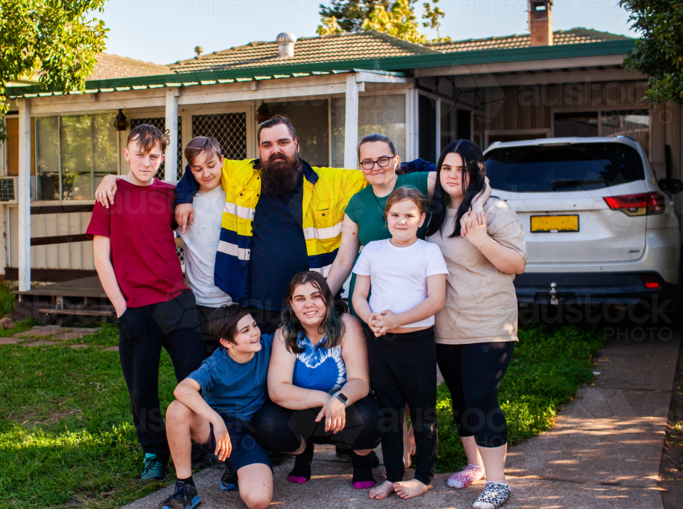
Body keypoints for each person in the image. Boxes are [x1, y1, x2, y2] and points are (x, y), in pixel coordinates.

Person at [174, 115, 434, 334]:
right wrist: (183, 197)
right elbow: (198, 163)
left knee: (306, 374)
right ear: (259, 149)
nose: (275, 150)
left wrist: (407, 168)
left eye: (283, 142)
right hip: (253, 302)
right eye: (267, 145)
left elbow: (380, 169)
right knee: (263, 376)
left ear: (296, 144)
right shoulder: (242, 173)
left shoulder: (332, 181)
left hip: (310, 303)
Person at [325, 133, 488, 467]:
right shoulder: (356, 203)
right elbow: (344, 260)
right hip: (371, 307)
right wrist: (320, 300)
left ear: (396, 159)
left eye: (383, 159)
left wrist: (479, 205)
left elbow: (474, 180)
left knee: (417, 385)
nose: (376, 167)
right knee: (385, 388)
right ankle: (395, 458)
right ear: (360, 166)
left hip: (414, 307)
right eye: (367, 161)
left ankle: (420, 442)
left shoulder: (419, 182)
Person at [88, 124, 206, 482]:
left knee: (196, 377)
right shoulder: (109, 195)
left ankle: (200, 444)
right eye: (139, 154)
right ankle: (154, 452)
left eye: (153, 156)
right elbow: (101, 258)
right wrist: (121, 308)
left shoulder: (171, 193)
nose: (145, 162)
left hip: (176, 299)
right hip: (135, 306)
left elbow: (206, 180)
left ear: (162, 159)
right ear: (126, 153)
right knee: (142, 386)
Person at [426, 139, 527, 509]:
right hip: (445, 324)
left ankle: (499, 482)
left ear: (477, 173)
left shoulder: (495, 211)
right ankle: (476, 465)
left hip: (488, 323)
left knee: (483, 399)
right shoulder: (434, 212)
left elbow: (517, 264)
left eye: (463, 169)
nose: (454, 176)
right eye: (447, 168)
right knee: (461, 399)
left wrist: (481, 238)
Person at [350, 187, 449, 500]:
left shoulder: (428, 252)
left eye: (409, 215)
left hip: (417, 343)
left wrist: (398, 320)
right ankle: (393, 475)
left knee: (422, 413)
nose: (401, 221)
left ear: (421, 219)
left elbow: (436, 300)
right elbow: (358, 296)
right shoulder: (373, 250)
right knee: (390, 411)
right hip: (381, 343)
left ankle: (423, 477)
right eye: (395, 215)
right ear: (386, 218)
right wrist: (372, 320)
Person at [96, 136, 232, 355]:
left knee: (226, 370)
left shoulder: (233, 194)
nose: (205, 173)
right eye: (197, 168)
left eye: (211, 165)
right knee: (192, 372)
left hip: (219, 300)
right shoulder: (175, 196)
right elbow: (143, 180)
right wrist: (109, 178)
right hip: (183, 301)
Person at [252, 271, 384, 489]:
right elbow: (277, 390)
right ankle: (304, 453)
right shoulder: (285, 332)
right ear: (291, 304)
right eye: (300, 298)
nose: (308, 304)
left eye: (316, 296)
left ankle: (360, 459)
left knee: (373, 418)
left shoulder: (346, 325)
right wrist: (325, 399)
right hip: (304, 411)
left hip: (346, 410)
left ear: (327, 299)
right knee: (266, 423)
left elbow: (360, 381)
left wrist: (338, 400)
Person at [158, 304, 274, 509]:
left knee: (259, 501)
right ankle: (185, 488)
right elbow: (182, 388)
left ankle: (234, 471)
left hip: (249, 432)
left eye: (254, 325)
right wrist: (217, 420)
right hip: (215, 429)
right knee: (177, 409)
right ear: (227, 342)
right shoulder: (217, 364)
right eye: (245, 331)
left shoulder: (268, 345)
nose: (255, 332)